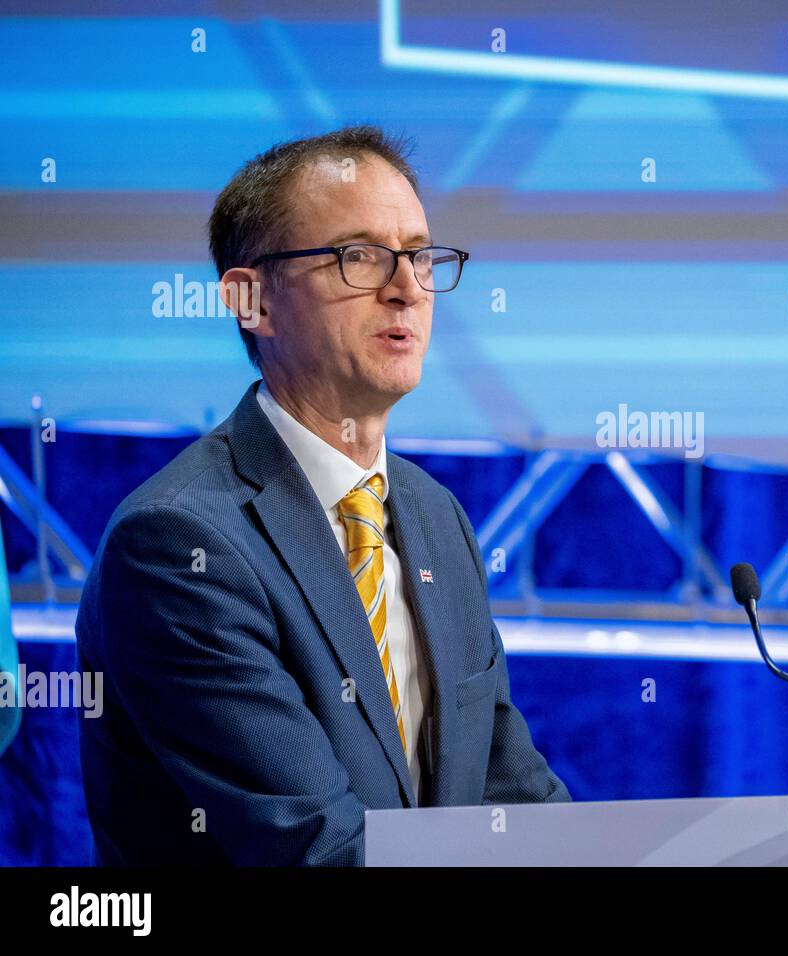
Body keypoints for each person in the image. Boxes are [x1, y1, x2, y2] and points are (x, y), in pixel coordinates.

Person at [75, 126, 570, 866]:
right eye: (360, 256)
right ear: (254, 302)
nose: (406, 287)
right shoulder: (180, 543)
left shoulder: (437, 517)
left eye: (420, 255)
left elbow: (512, 796)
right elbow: (317, 848)